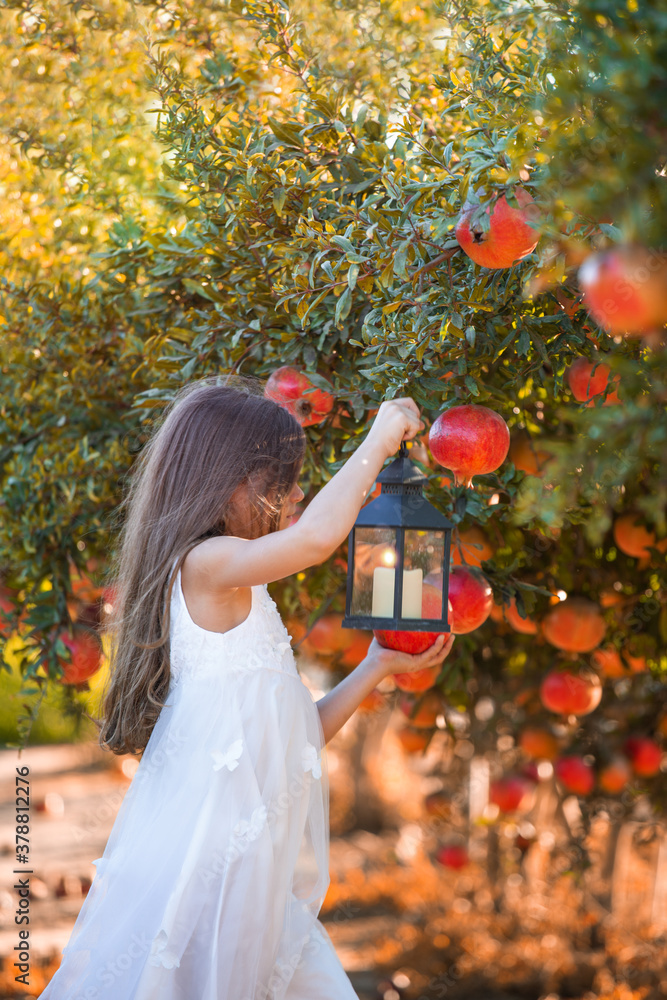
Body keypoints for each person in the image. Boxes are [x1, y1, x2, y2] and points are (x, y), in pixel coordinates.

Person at [40, 376, 455, 1000]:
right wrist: (378, 439)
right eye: (281, 481)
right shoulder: (205, 566)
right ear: (229, 479)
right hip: (213, 868)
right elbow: (316, 540)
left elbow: (296, 735)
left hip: (255, 875)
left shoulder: (243, 588)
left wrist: (374, 668)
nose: (295, 495)